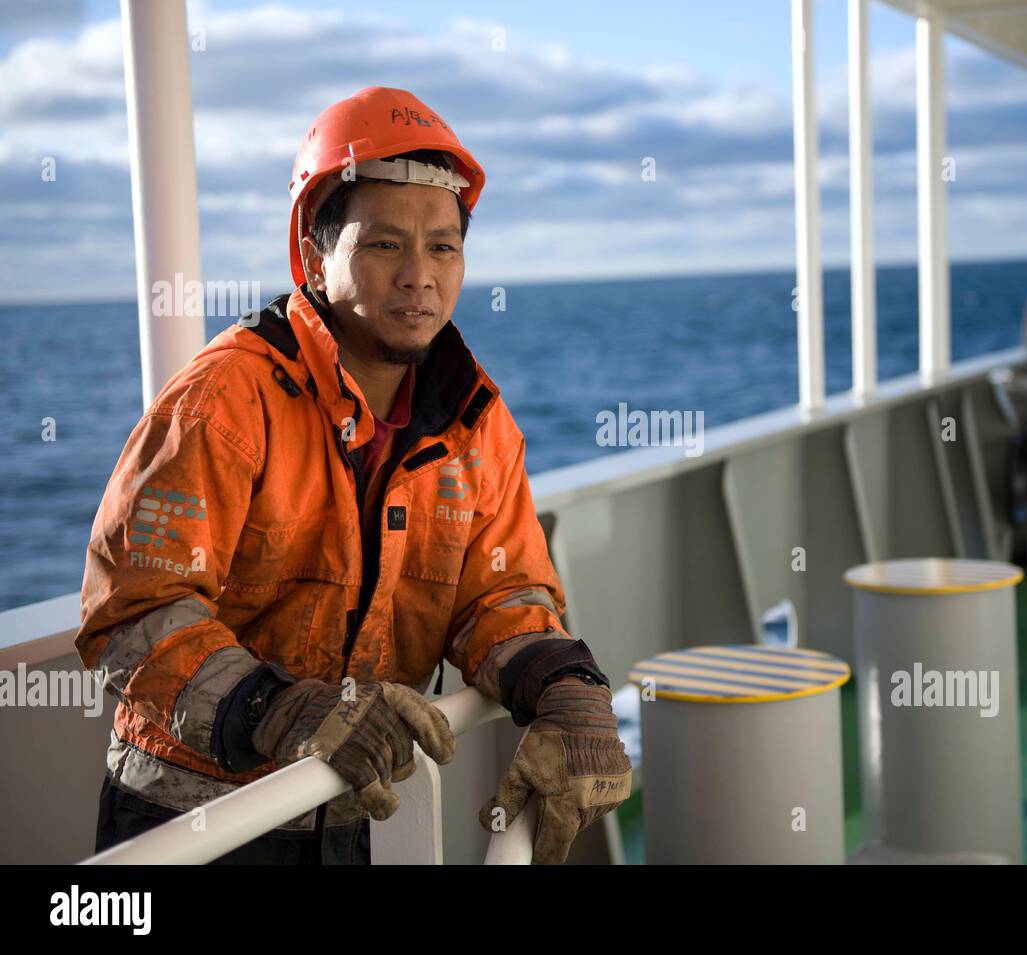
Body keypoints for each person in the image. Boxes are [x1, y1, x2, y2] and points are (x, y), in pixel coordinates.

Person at [78, 86, 632, 865]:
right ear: (314, 254)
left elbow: (501, 594)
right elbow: (135, 610)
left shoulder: (476, 422)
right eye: (382, 244)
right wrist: (284, 710)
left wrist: (568, 687)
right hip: (193, 827)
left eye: (443, 246)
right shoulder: (227, 400)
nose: (419, 275)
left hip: (361, 819)